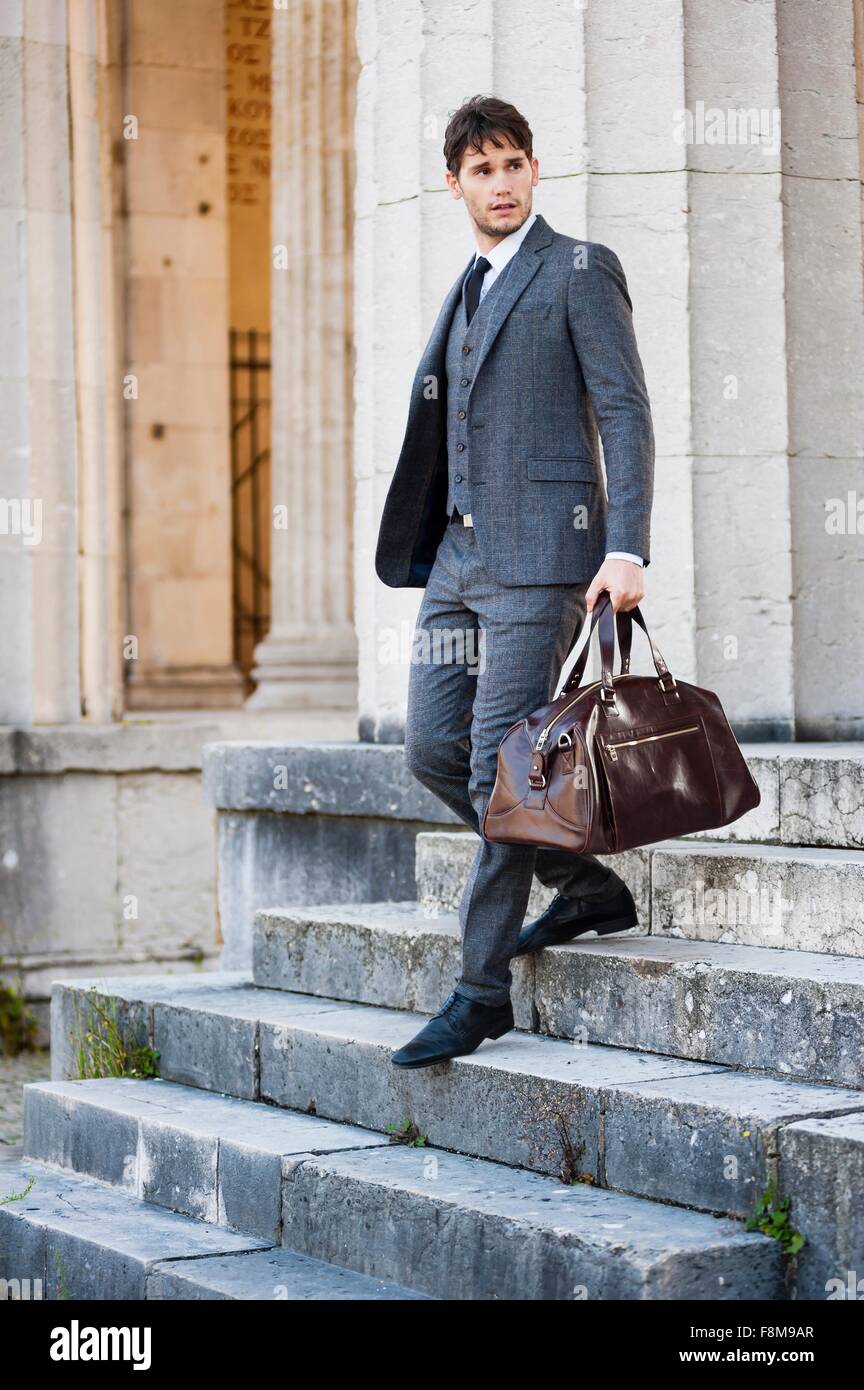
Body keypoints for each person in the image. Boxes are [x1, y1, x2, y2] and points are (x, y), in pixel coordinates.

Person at [374, 95, 654, 1069]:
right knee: (430, 745)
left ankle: (480, 988)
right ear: (454, 183)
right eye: (481, 169)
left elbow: (624, 411)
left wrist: (628, 547)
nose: (500, 183)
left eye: (513, 165)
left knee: (502, 760)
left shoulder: (579, 269)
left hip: (545, 559)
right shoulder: (467, 285)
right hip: (458, 562)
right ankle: (583, 884)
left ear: (534, 171)